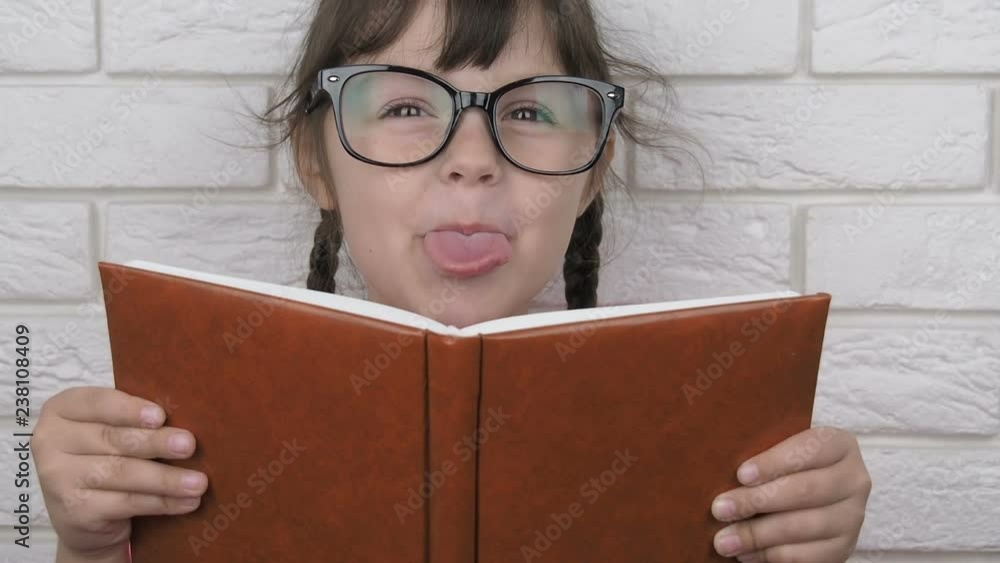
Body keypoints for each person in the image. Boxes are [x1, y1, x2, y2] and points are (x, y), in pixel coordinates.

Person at [34, 1, 872, 562]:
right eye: (404, 108)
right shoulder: (183, 421)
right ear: (315, 163)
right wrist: (96, 547)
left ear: (592, 174)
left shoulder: (717, 433)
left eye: (530, 110)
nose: (472, 161)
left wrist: (797, 534)